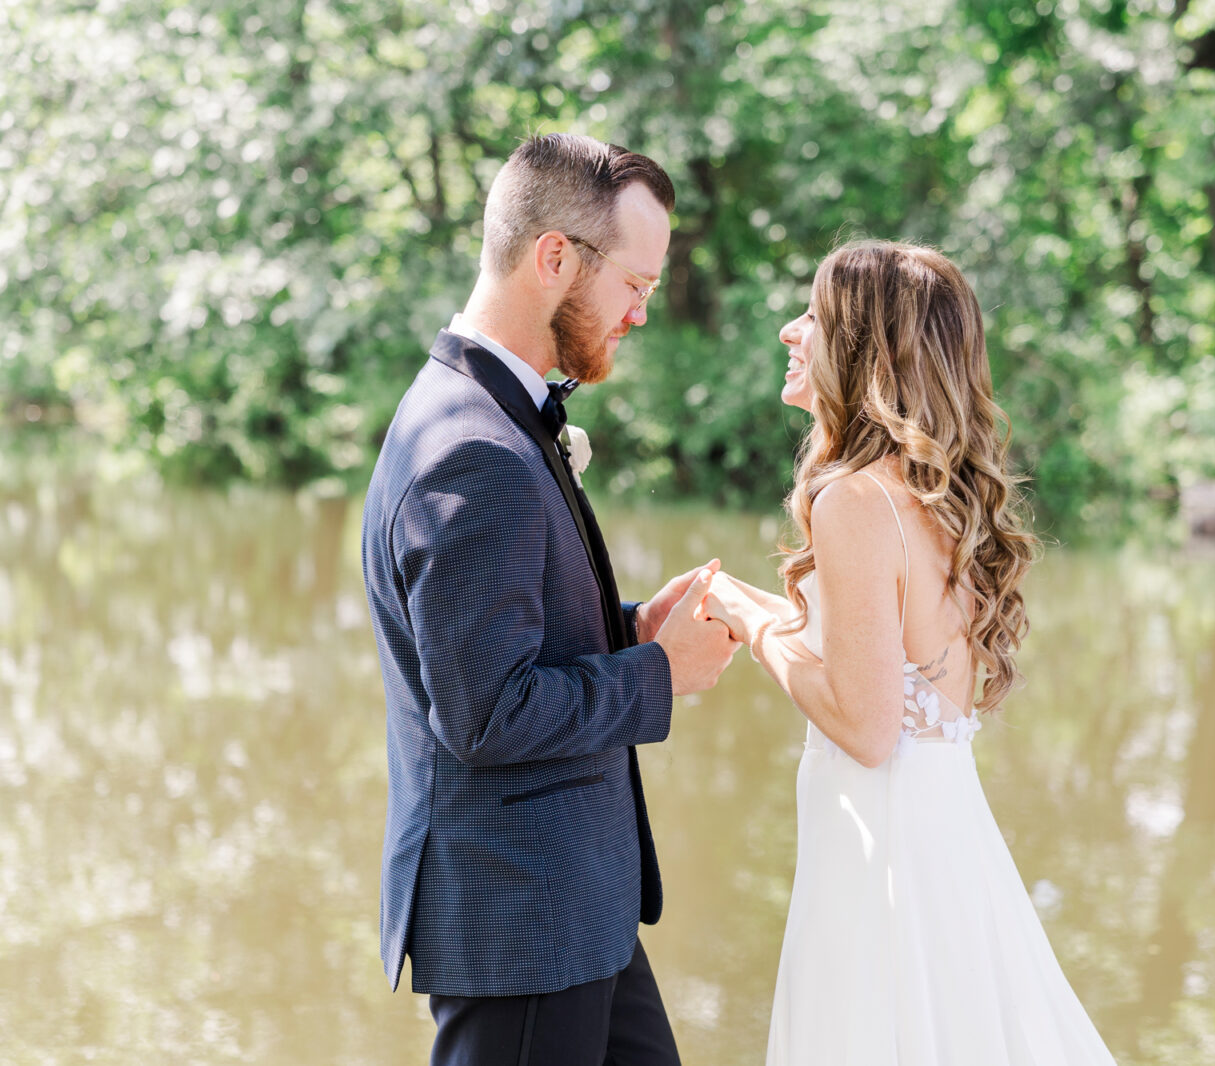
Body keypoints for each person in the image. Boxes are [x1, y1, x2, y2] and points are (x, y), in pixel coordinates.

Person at [360, 132, 739, 1066]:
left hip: (575, 909)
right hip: (518, 923)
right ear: (555, 258)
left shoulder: (493, 410)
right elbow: (486, 714)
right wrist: (659, 673)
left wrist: (628, 629)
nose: (642, 313)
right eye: (635, 286)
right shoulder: (470, 450)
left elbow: (503, 638)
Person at [705, 241, 1119, 1064]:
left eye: (815, 318)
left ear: (865, 348)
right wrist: (750, 604)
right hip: (939, 829)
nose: (792, 332)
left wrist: (748, 624)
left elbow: (865, 727)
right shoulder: (927, 492)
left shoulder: (853, 500)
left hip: (881, 847)